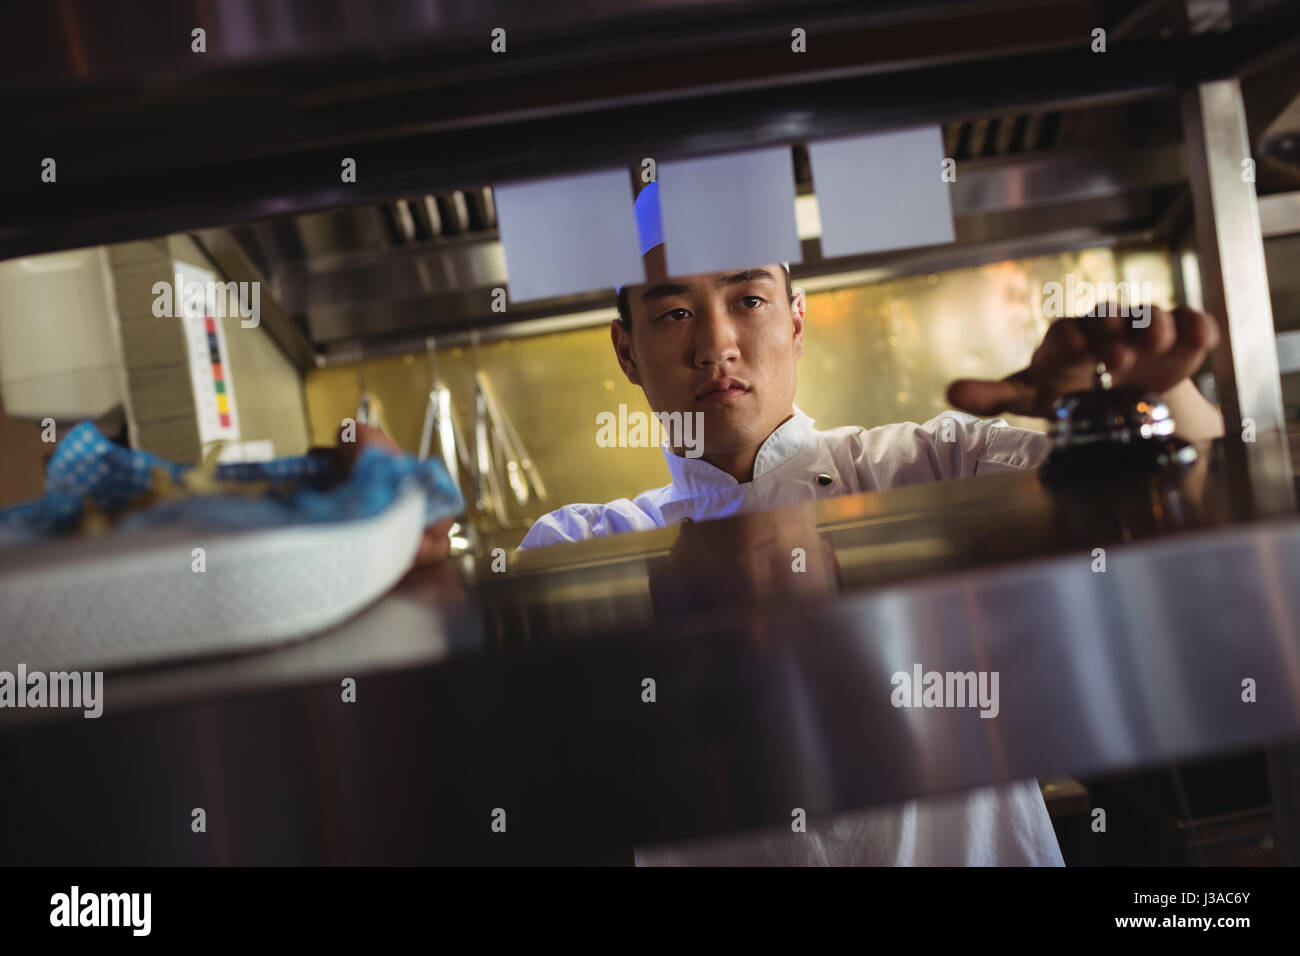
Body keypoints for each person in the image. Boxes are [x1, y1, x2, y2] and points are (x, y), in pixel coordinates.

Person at [504, 179, 1225, 865]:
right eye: (673, 313)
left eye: (748, 298)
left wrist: (1144, 402)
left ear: (795, 320)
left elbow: (1187, 504)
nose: (715, 344)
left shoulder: (940, 466)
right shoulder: (583, 548)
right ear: (626, 350)